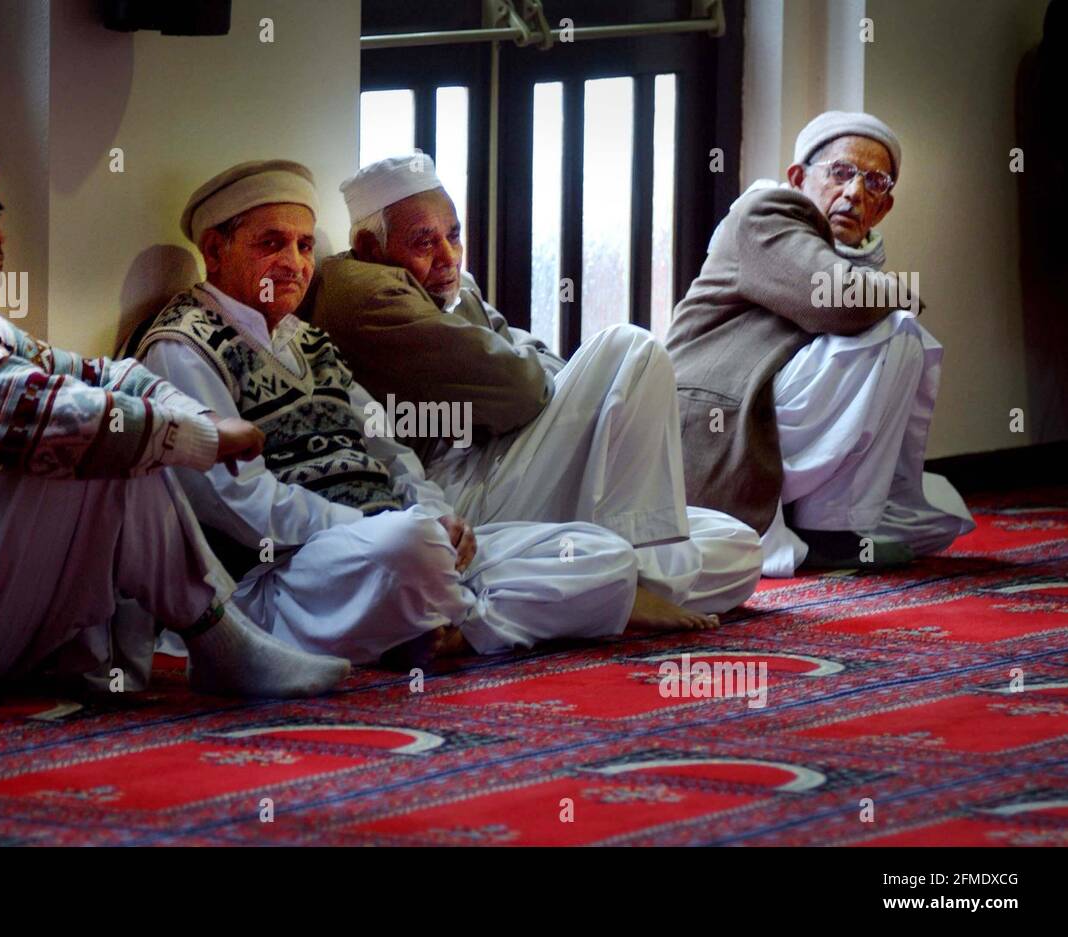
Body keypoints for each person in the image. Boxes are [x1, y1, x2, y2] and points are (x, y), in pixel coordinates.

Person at [0, 131, 349, 705]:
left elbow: (88, 374)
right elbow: (57, 413)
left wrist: (194, 412)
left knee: (123, 441)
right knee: (103, 448)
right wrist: (202, 437)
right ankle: (220, 643)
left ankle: (212, 645)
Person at [131, 159, 711, 670]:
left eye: (305, 246)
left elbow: (386, 445)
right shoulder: (183, 346)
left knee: (600, 552)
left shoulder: (305, 340)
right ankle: (473, 617)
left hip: (384, 543)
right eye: (271, 244)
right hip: (284, 576)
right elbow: (238, 504)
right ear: (213, 250)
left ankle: (445, 621)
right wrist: (377, 527)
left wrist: (435, 513)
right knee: (412, 550)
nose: (293, 264)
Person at [307, 154, 762, 614]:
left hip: (502, 468)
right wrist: (518, 367)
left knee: (739, 546)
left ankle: (610, 577)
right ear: (368, 246)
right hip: (453, 493)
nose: (447, 257)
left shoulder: (449, 287)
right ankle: (630, 587)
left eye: (454, 235)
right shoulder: (366, 296)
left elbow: (534, 358)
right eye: (424, 242)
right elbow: (520, 389)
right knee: (633, 349)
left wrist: (516, 364)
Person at [665, 111, 974, 575]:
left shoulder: (852, 253)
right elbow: (838, 302)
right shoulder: (765, 213)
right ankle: (828, 532)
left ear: (883, 207)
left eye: (874, 182)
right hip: (714, 426)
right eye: (841, 172)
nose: (854, 192)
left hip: (763, 414)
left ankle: (817, 518)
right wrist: (902, 292)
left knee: (935, 519)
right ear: (798, 177)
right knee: (896, 333)